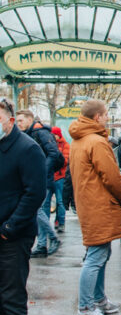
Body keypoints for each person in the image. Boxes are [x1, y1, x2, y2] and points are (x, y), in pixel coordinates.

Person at [69, 99, 121, 315]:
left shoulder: (79, 140)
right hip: (99, 204)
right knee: (96, 255)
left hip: (89, 202)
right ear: (97, 117)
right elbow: (112, 177)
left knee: (99, 252)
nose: (107, 117)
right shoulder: (96, 142)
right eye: (106, 114)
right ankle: (85, 309)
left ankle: (97, 300)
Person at [0, 98, 46, 315]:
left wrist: (9, 227)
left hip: (12, 236)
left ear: (10, 118)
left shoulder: (28, 149)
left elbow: (35, 194)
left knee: (12, 297)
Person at [16, 110, 62, 258]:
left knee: (38, 210)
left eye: (21, 120)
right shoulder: (32, 133)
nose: (19, 123)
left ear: (30, 119)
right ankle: (42, 245)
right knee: (41, 210)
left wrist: (41, 170)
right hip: (39, 177)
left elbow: (53, 153)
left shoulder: (40, 132)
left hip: (42, 178)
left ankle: (53, 238)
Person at [50, 126, 70, 231]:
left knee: (60, 201)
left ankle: (61, 222)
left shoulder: (65, 145)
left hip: (60, 176)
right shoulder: (49, 143)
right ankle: (49, 224)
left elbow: (65, 161)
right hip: (50, 176)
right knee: (46, 203)